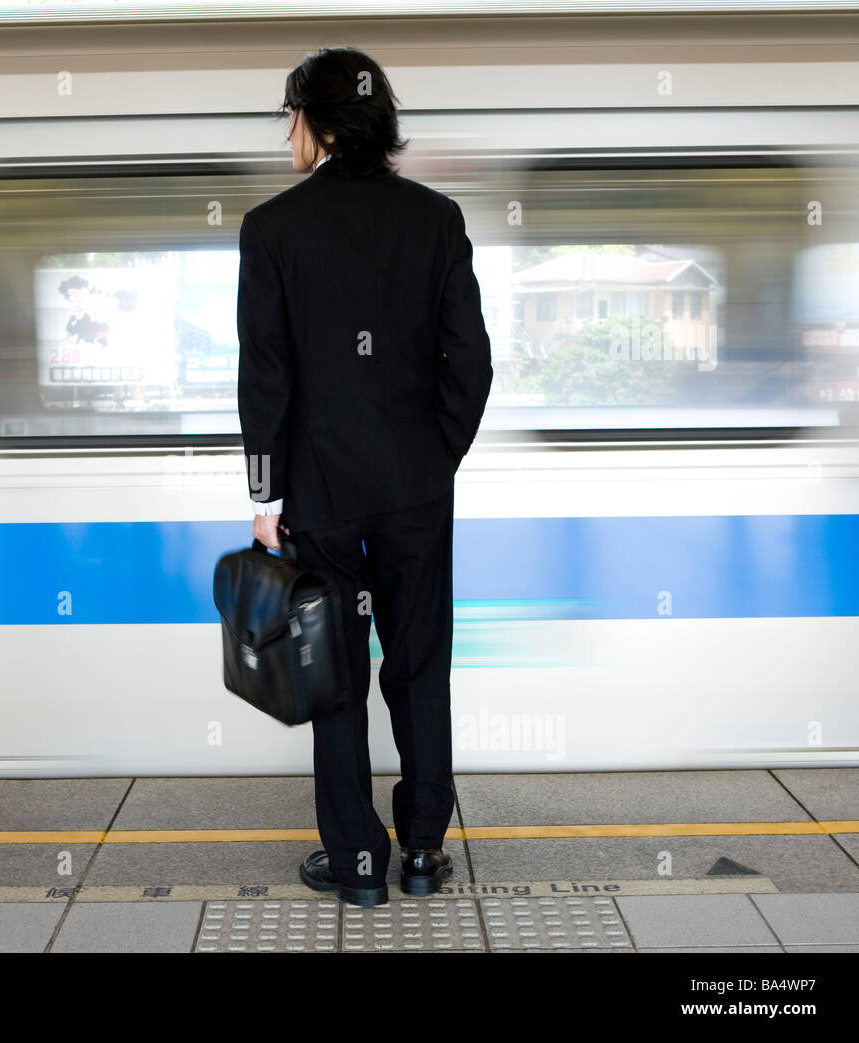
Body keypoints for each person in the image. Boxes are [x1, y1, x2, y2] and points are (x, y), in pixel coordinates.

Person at [236, 46, 493, 908]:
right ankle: (423, 850)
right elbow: (473, 363)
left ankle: (353, 862)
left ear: (321, 124)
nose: (290, 137)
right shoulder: (436, 218)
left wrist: (266, 494)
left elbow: (265, 374)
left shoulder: (273, 228)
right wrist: (435, 455)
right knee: (420, 667)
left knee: (333, 672)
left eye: (292, 119)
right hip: (416, 491)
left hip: (318, 495)